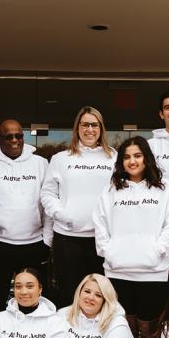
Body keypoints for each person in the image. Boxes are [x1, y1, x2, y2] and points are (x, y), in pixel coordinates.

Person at [93, 136, 169, 338]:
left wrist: (157, 250)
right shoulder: (111, 190)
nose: (132, 161)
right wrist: (109, 252)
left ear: (147, 158)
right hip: (117, 272)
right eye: (126, 157)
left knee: (151, 332)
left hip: (154, 273)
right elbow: (100, 224)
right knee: (123, 331)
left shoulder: (166, 189)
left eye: (137, 156)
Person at [41, 107, 116, 306]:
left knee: (100, 296)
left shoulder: (114, 157)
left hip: (103, 238)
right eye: (85, 125)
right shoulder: (61, 158)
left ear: (101, 128)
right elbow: (47, 193)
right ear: (77, 128)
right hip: (68, 238)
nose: (90, 129)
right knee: (69, 294)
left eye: (94, 125)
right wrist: (62, 214)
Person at [0, 119, 49, 315]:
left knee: (32, 299)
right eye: (9, 137)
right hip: (0, 243)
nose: (14, 140)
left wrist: (47, 239)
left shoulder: (40, 163)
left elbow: (47, 202)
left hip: (33, 243)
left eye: (19, 136)